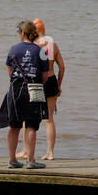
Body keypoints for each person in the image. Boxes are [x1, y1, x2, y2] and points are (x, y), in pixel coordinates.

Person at [0, 20, 50, 169]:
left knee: (14, 126)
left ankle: (12, 160)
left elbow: (10, 71)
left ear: (22, 33)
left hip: (15, 89)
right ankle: (31, 161)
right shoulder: (41, 51)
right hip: (34, 88)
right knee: (31, 125)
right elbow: (45, 77)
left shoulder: (13, 49)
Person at [34, 18, 64, 160]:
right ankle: (50, 152)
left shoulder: (33, 46)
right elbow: (62, 67)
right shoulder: (53, 45)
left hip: (38, 82)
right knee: (49, 120)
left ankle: (26, 151)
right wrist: (58, 84)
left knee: (29, 118)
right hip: (51, 80)